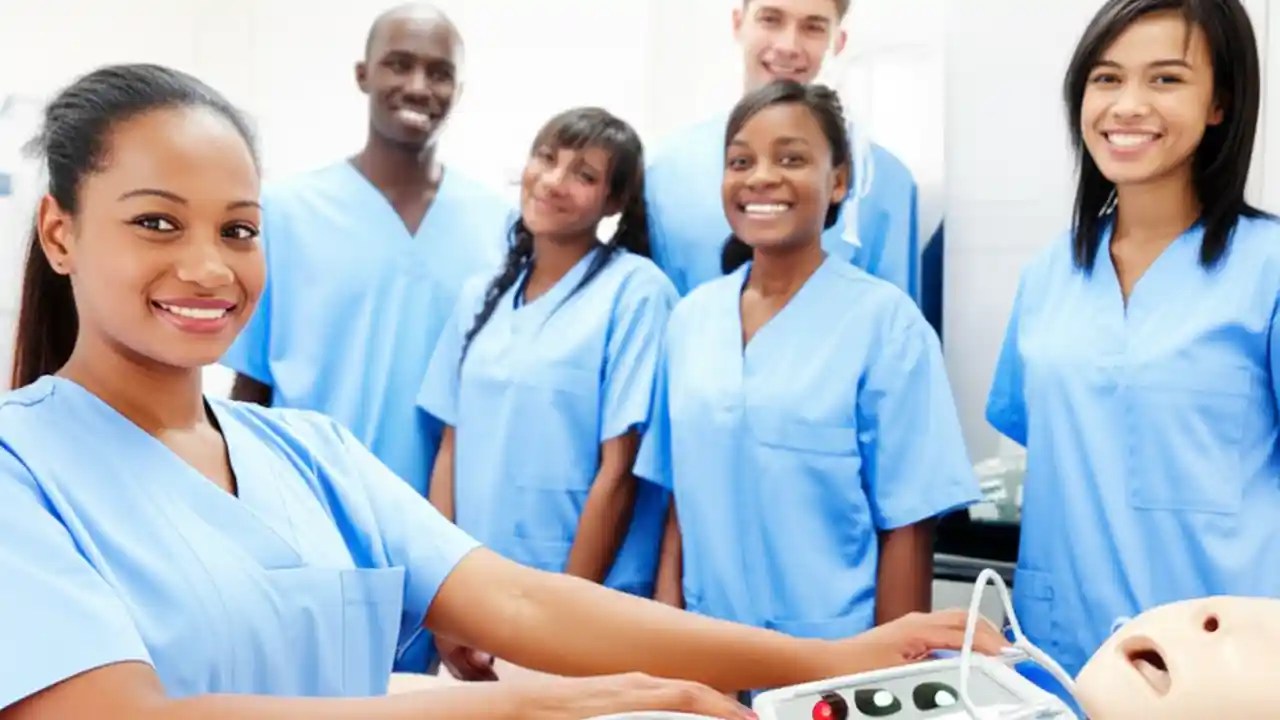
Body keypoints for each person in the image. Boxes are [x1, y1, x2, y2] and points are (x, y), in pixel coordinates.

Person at [0, 63, 1008, 720]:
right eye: (156, 223)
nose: (212, 267)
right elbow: (112, 712)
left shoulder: (307, 454)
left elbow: (519, 599)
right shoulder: (19, 471)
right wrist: (525, 707)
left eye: (239, 228)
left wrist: (836, 655)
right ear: (59, 234)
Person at [635, 80, 980, 697]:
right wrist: (667, 646)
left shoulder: (886, 324)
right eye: (741, 161)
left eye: (791, 158)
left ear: (839, 181)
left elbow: (907, 523)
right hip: (705, 656)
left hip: (833, 660)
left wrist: (890, 682)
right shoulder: (690, 320)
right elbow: (680, 505)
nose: (760, 177)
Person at [986, 0, 1280, 684]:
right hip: (1058, 656)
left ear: (1220, 103)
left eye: (1167, 79)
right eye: (1107, 78)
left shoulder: (1267, 269)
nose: (1128, 105)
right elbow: (1070, 454)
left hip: (1221, 670)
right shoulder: (1048, 276)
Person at [220, 4, 511, 671]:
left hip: (445, 538)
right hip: (311, 525)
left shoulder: (500, 225)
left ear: (458, 91)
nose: (418, 85)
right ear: (362, 74)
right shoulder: (287, 213)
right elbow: (249, 390)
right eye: (399, 64)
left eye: (440, 72)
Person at [418, 108, 675, 680]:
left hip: (581, 622)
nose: (554, 180)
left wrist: (556, 620)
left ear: (615, 202)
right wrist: (448, 602)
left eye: (584, 174)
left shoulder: (637, 293)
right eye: (547, 158)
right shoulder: (482, 291)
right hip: (474, 614)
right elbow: (450, 451)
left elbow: (620, 474)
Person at [644, 0, 919, 299]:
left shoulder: (883, 182)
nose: (788, 45)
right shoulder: (668, 171)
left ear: (837, 42)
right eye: (771, 19)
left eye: (812, 27)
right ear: (738, 24)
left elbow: (899, 334)